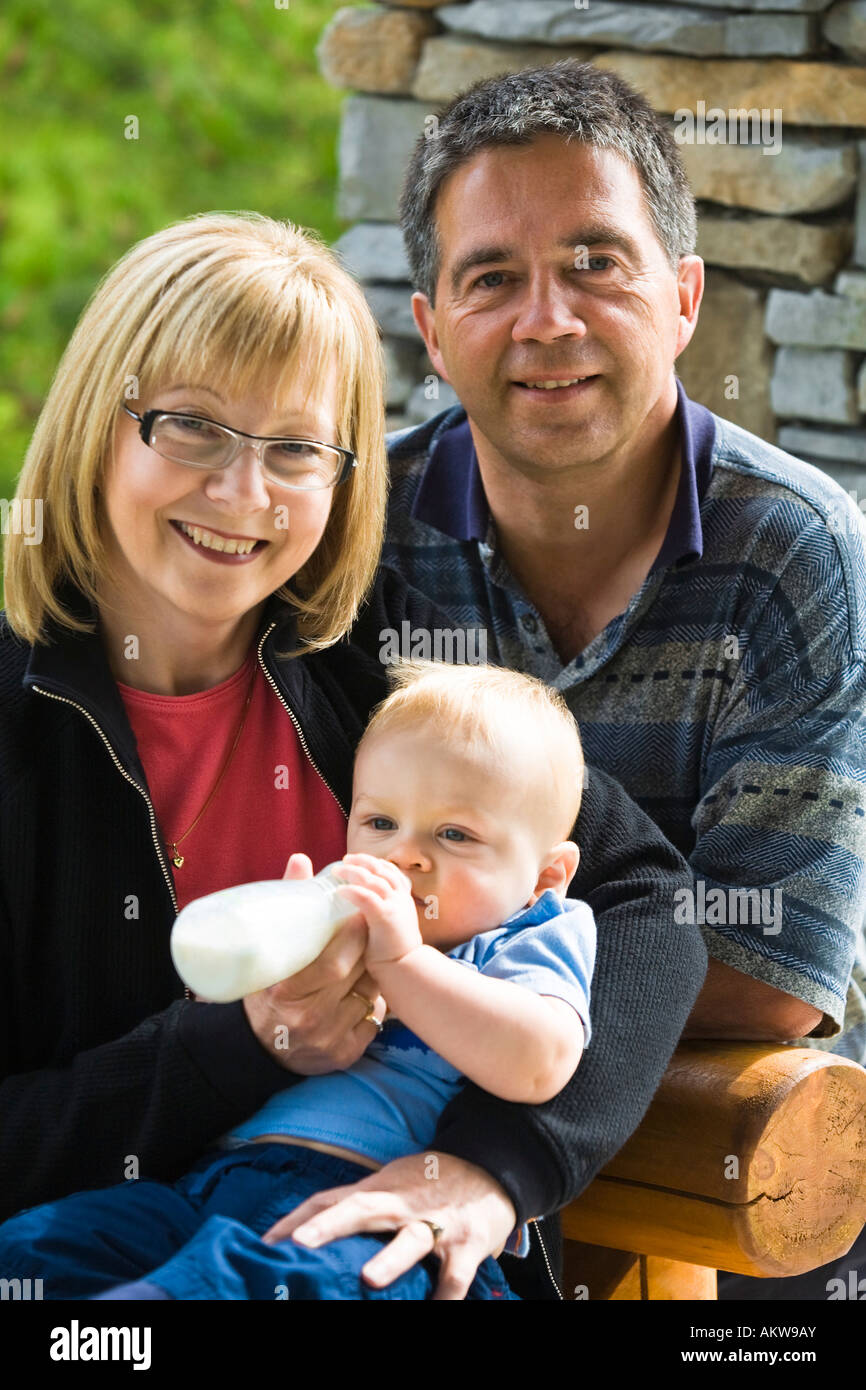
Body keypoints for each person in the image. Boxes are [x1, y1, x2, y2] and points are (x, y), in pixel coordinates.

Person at [0, 210, 705, 1301]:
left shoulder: (374, 664)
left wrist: (491, 1167)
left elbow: (645, 895)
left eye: (294, 449)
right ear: (101, 421)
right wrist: (239, 1045)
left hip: (366, 1262)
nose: (243, 494)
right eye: (188, 425)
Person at [382, 59, 866, 1295]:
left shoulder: (797, 552)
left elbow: (770, 979)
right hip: (393, 1128)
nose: (547, 319)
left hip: (733, 1154)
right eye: (491, 278)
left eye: (595, 261)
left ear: (684, 297)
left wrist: (434, 982)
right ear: (432, 331)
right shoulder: (356, 529)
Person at [0, 660, 597, 1301]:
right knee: (40, 1245)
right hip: (215, 1177)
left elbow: (540, 1062)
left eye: (454, 834)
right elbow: (219, 1018)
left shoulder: (532, 934)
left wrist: (404, 966)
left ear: (545, 875)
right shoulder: (338, 917)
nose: (404, 855)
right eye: (380, 823)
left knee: (248, 1283)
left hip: (369, 1211)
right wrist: (249, 985)